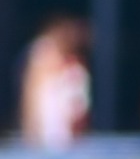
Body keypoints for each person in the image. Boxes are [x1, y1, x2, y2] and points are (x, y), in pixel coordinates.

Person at [19, 13, 92, 150]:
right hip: (49, 131)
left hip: (68, 133)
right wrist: (31, 128)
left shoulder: (72, 63)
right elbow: (30, 93)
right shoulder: (43, 51)